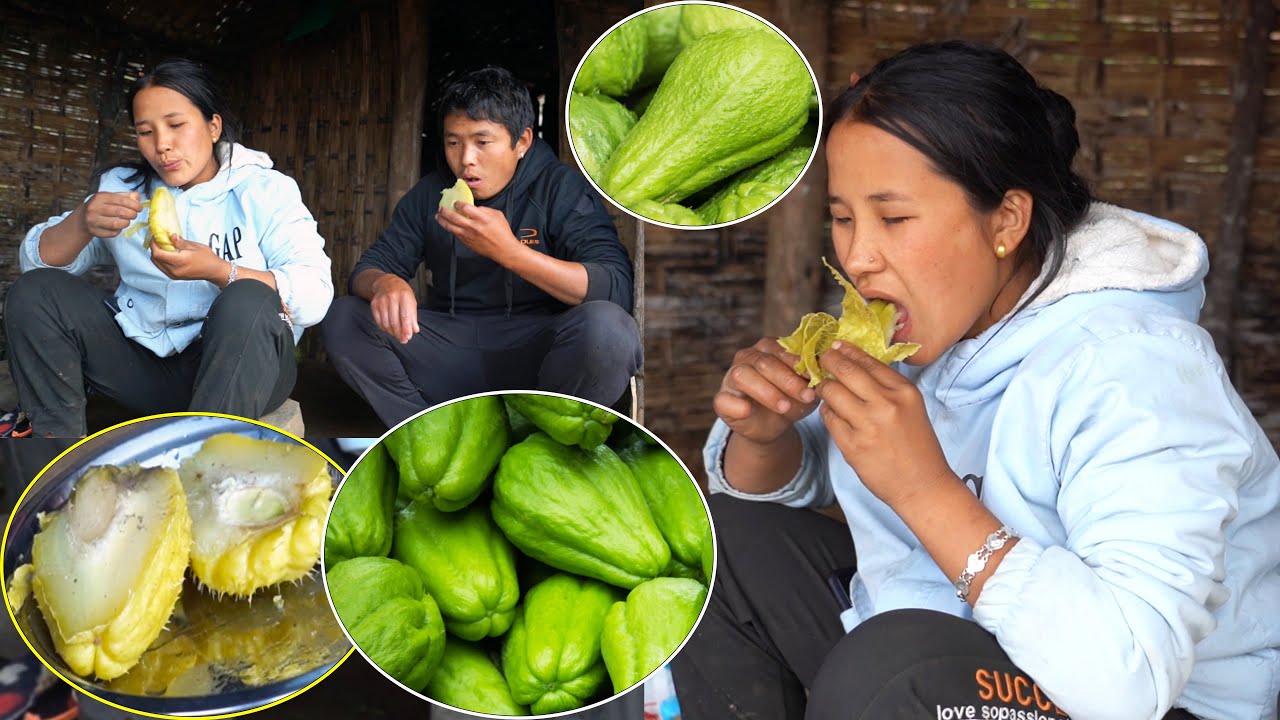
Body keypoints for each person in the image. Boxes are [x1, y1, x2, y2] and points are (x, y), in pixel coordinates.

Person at [672, 41, 1280, 720]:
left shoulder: (1135, 368)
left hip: (1154, 702)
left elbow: (1129, 680)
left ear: (1008, 221)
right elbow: (804, 470)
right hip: (951, 646)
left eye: (894, 219)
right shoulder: (931, 325)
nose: (858, 256)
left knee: (893, 664)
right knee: (713, 544)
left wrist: (923, 489)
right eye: (842, 218)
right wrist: (764, 436)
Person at [3, 58, 333, 438]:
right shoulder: (124, 189)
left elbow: (315, 295)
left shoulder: (264, 190)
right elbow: (35, 264)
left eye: (176, 125)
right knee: (34, 293)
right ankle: (56, 456)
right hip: (143, 369)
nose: (162, 145)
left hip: (244, 369)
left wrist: (220, 272)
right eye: (146, 132)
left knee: (249, 297)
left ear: (213, 126)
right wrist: (80, 221)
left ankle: (202, 455)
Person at [321, 67, 641, 428]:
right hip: (448, 348)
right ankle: (427, 430)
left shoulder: (559, 188)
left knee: (608, 331)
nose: (466, 159)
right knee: (345, 319)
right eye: (453, 142)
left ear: (522, 141)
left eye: (482, 142)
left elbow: (615, 288)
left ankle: (541, 437)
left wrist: (510, 252)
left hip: (537, 351)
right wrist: (384, 283)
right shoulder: (432, 193)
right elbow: (368, 268)